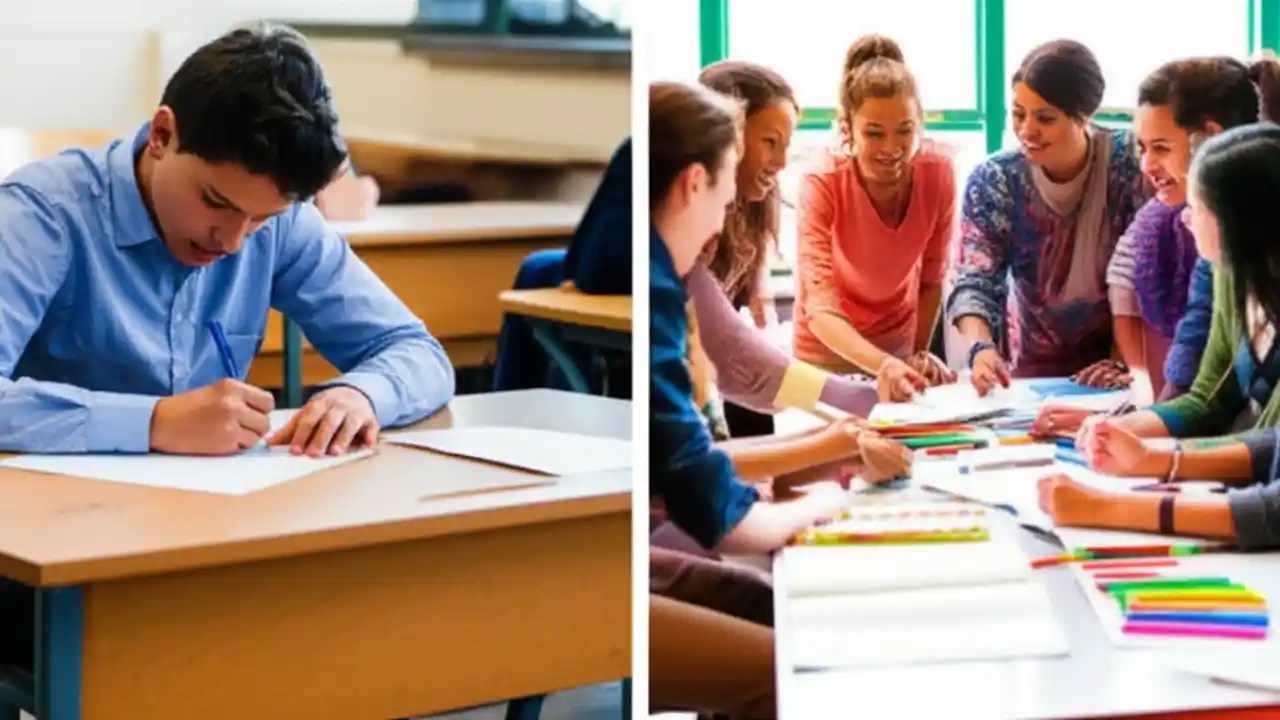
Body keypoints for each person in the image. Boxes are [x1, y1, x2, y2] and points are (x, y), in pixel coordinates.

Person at [0, 23, 454, 670]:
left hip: (209, 542)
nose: (234, 242)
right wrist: (154, 423)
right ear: (162, 135)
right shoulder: (41, 214)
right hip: (49, 563)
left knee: (366, 632)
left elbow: (414, 351)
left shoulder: (280, 221)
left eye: (261, 219)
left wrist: (362, 391)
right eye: (215, 202)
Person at [649, 80, 850, 719]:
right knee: (785, 673)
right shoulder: (658, 285)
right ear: (691, 183)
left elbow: (706, 459)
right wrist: (829, 497)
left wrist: (827, 451)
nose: (732, 198)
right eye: (729, 177)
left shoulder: (664, 274)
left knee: (770, 609)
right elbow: (724, 515)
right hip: (633, 548)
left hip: (646, 536)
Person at [1042, 123, 1280, 548]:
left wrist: (1105, 508)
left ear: (1238, 225)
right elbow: (1272, 444)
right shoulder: (1243, 279)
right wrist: (1151, 456)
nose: (1186, 218)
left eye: (1197, 207)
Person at [1035, 55, 1280, 437]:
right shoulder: (1219, 255)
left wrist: (1159, 458)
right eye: (1142, 148)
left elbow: (1265, 451)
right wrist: (1120, 429)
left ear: (1209, 141)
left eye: (1161, 148)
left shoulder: (1247, 252)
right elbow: (1199, 393)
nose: (1146, 166)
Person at [947, 39, 1146, 396]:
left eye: (1045, 118)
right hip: (1027, 377)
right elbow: (975, 280)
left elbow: (1148, 273)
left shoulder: (1128, 164)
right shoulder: (996, 180)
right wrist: (980, 347)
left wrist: (1126, 359)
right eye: (1019, 113)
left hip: (1118, 371)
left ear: (1084, 115)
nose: (1026, 131)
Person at [795, 35, 957, 396]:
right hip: (825, 356)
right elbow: (818, 306)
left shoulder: (939, 174)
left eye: (904, 131)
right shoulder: (822, 180)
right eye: (873, 133)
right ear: (847, 128)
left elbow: (931, 279)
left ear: (920, 124)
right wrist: (886, 365)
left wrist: (916, 355)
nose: (891, 148)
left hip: (896, 351)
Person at [696, 60, 798, 438]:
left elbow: (747, 326)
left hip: (725, 366)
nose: (783, 163)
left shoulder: (757, 201)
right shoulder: (688, 238)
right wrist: (857, 400)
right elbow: (735, 352)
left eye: (786, 145)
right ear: (730, 138)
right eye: (769, 143)